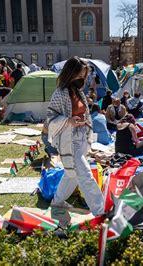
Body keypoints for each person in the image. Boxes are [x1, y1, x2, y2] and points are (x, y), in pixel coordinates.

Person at [46, 56, 104, 216]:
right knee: (85, 175)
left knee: (71, 173)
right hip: (68, 140)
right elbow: (50, 118)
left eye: (85, 76)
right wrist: (68, 120)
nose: (83, 79)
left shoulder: (78, 92)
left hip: (80, 137)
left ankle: (57, 202)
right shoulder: (60, 93)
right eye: (80, 76)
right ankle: (100, 211)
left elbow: (82, 113)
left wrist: (84, 121)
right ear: (70, 74)